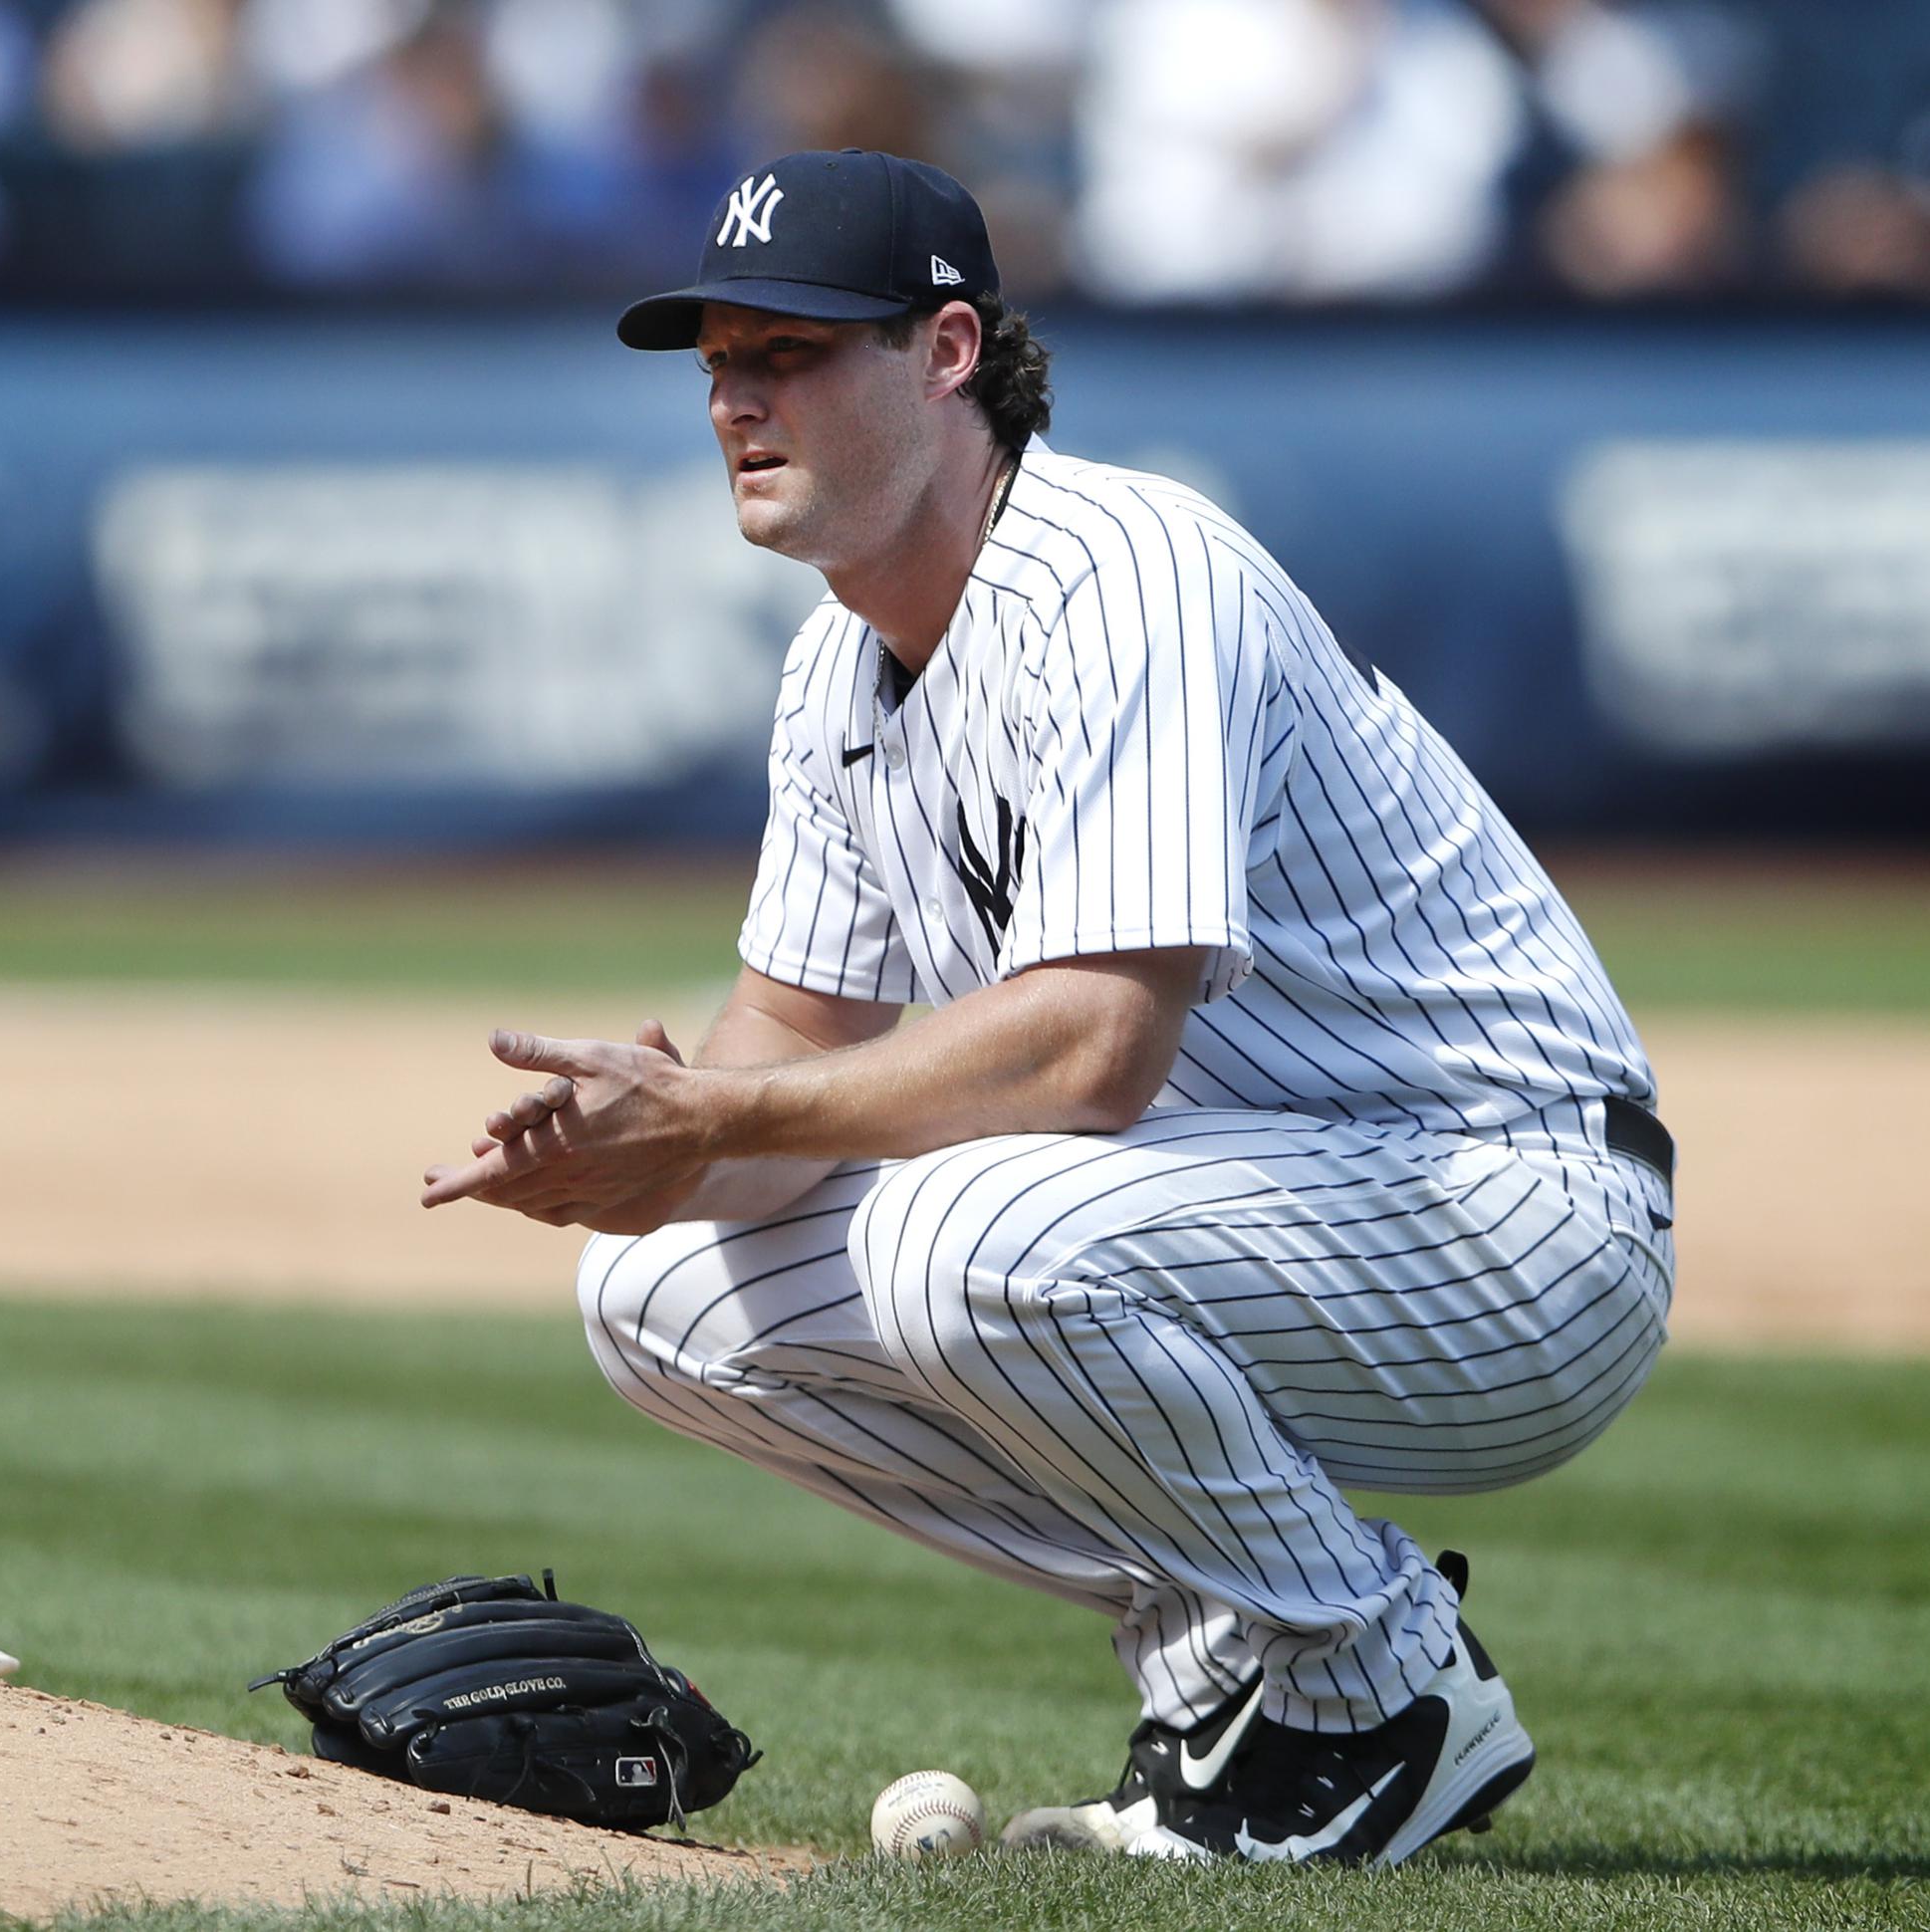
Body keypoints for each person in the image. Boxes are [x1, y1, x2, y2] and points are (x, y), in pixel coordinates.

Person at [419, 147, 1676, 1867]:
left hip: (1507, 1212)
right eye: (718, 361)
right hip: (1257, 1210)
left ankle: (1383, 1678)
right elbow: (785, 1059)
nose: (734, 401)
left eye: (788, 352)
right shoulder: (835, 668)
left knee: (967, 1232)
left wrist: (725, 1118)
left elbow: (1095, 1051)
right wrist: (646, 1155)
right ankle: (1240, 1675)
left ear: (946, 354)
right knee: (651, 1294)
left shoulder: (1128, 567)